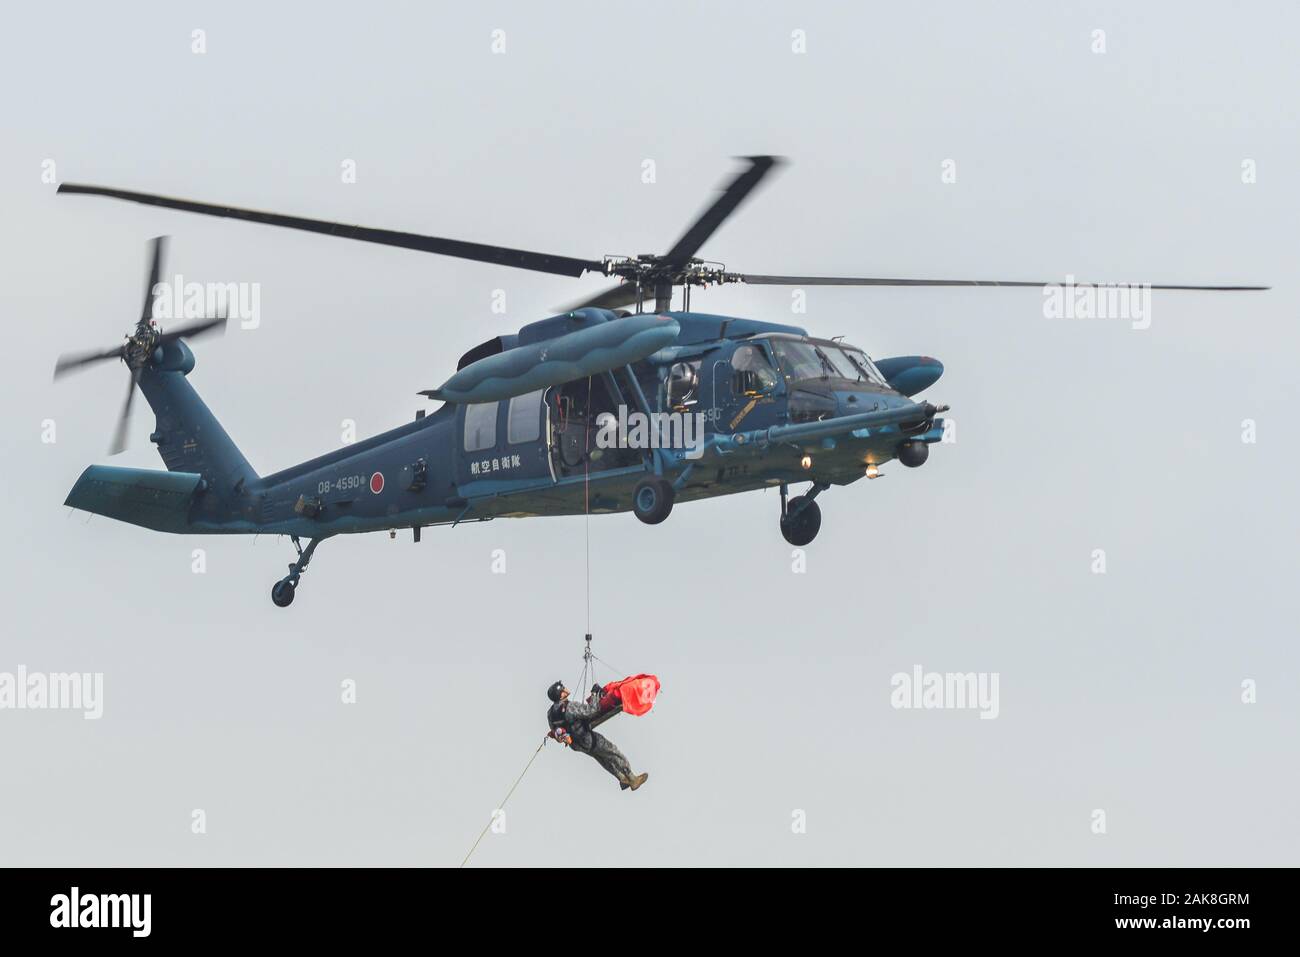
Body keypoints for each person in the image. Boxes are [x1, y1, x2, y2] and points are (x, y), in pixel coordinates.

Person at [546, 681, 648, 791]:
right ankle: (632, 779)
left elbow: (555, 731)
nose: (565, 688)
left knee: (601, 757)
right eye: (563, 688)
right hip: (586, 738)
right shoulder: (569, 707)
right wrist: (594, 694)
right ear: (561, 694)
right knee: (613, 752)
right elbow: (592, 711)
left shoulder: (550, 713)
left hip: (576, 744)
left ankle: (622, 779)